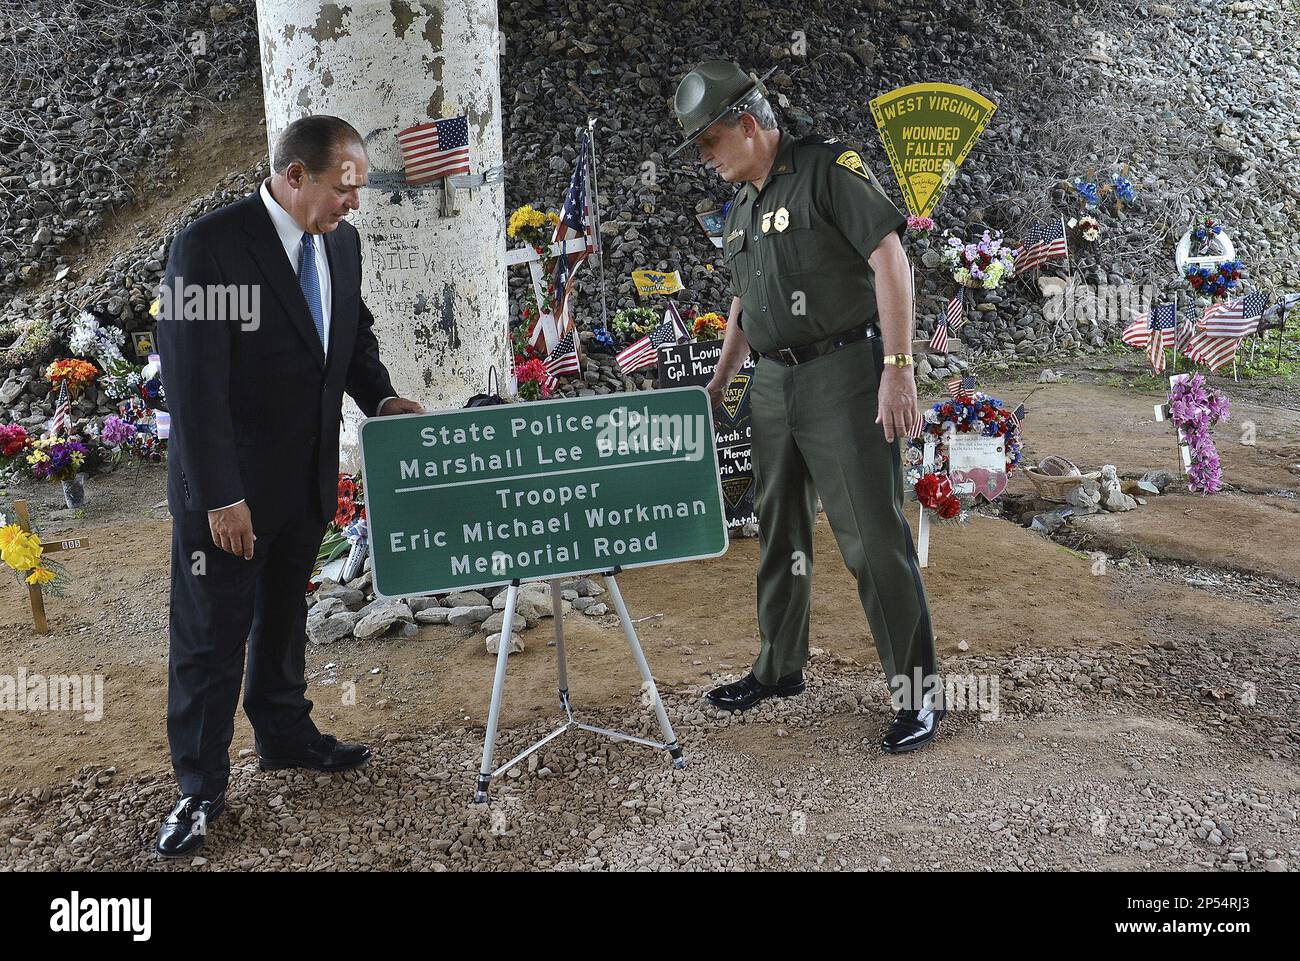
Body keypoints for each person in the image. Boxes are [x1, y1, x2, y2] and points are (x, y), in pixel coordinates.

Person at [154, 115, 424, 857]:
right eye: (345, 187)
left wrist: (382, 397)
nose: (354, 204)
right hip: (227, 496)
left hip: (304, 483)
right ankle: (199, 787)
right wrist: (220, 495)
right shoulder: (207, 247)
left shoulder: (341, 242)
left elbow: (349, 335)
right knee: (210, 639)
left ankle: (284, 733)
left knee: (282, 621)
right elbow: (192, 384)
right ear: (296, 175)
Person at [669, 62, 945, 752]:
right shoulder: (741, 207)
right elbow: (744, 298)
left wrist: (898, 368)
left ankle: (917, 695)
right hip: (772, 382)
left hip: (845, 374)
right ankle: (778, 666)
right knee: (777, 529)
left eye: (708, 142)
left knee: (871, 536)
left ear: (748, 125)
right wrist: (721, 379)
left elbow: (890, 259)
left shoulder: (826, 169)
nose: (705, 158)